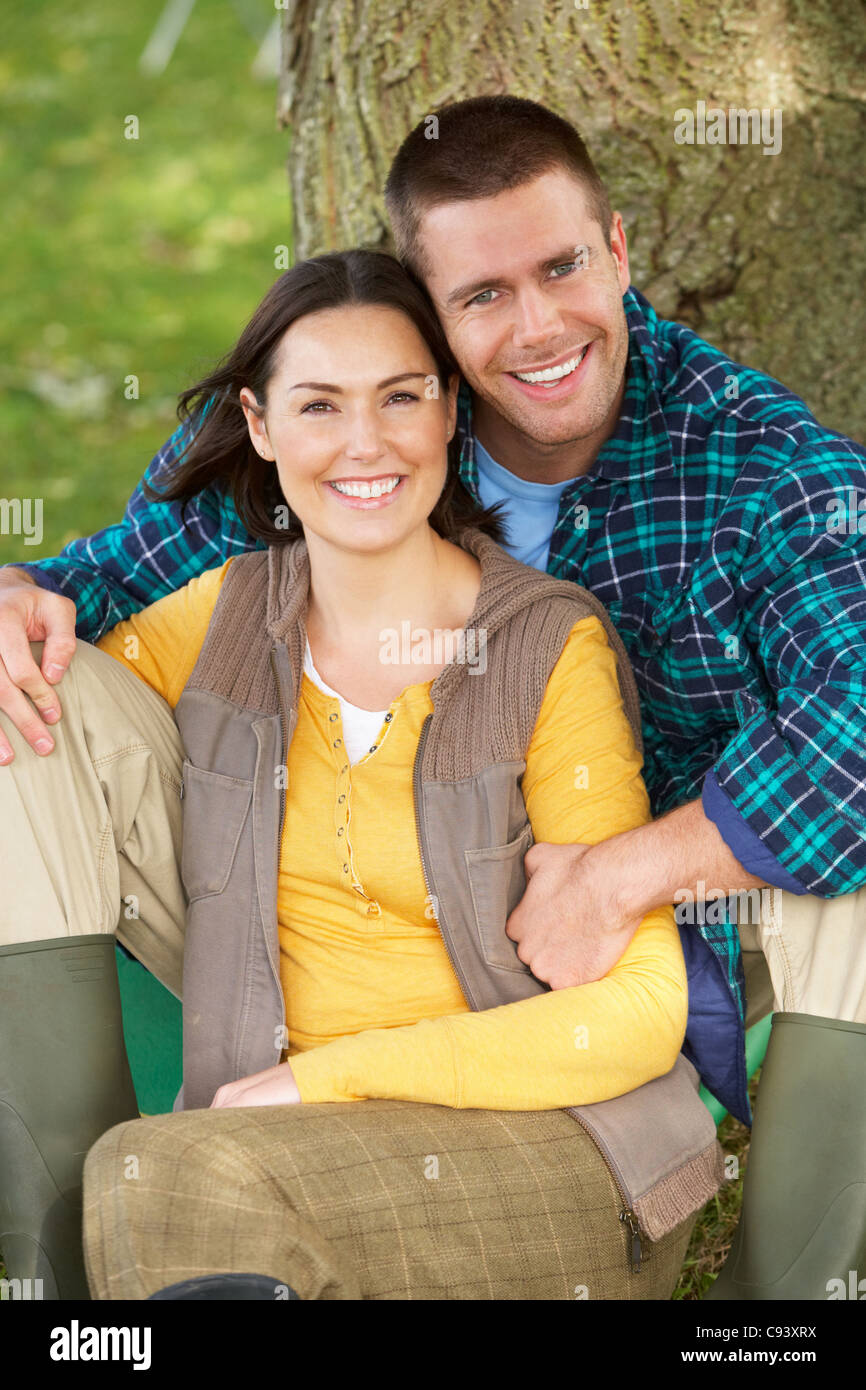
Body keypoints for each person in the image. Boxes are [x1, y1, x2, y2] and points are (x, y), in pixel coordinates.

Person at [1, 95, 864, 1299]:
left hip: (620, 928)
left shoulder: (759, 470)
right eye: (480, 297)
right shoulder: (368, 413)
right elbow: (114, 573)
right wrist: (20, 595)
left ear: (617, 248)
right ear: (428, 317)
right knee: (23, 698)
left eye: (562, 266)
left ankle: (770, 1314)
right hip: (344, 910)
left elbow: (853, 730)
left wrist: (623, 872)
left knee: (853, 870)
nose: (539, 325)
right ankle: (68, 1266)